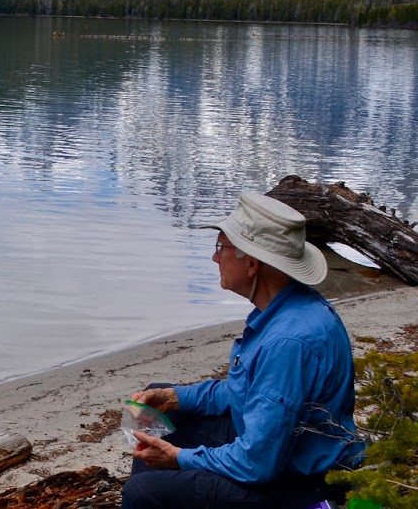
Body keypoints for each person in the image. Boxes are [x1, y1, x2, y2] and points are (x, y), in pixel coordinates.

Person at [121, 191, 363, 509]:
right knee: (163, 406)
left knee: (141, 492)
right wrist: (174, 397)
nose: (214, 258)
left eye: (221, 247)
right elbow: (248, 391)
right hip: (280, 449)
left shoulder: (288, 343)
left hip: (300, 483)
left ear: (251, 264)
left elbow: (258, 463)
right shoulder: (285, 309)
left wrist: (179, 458)